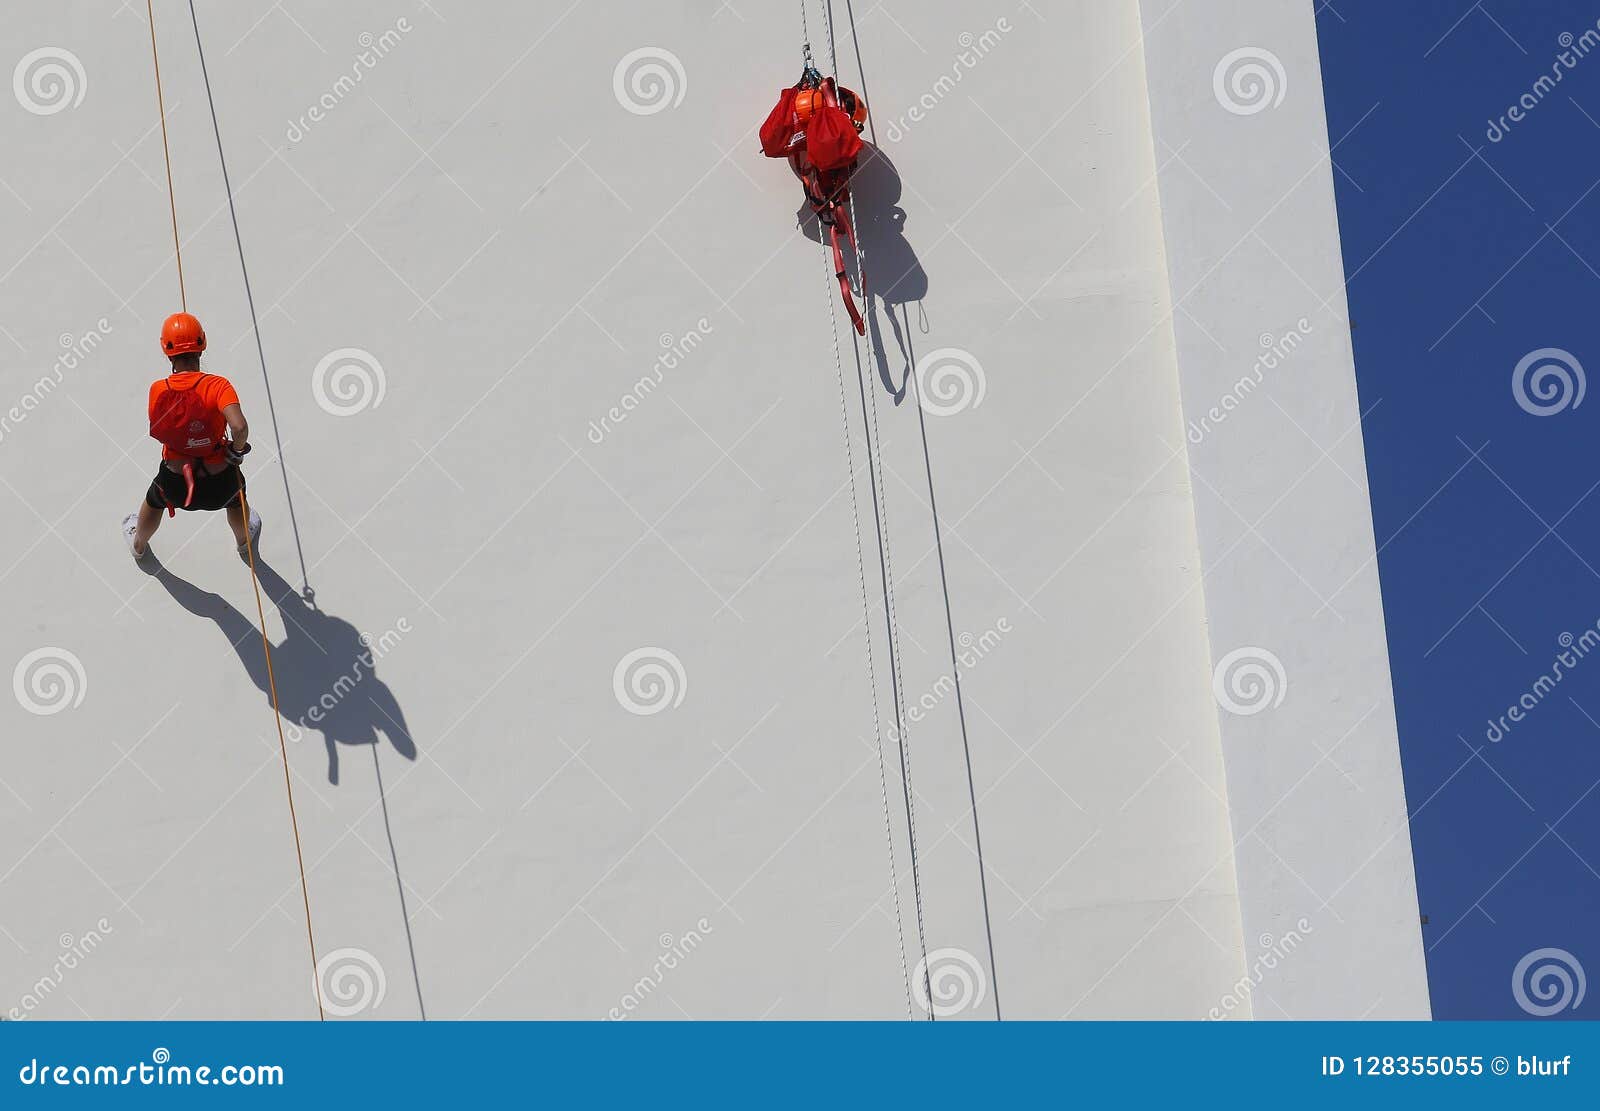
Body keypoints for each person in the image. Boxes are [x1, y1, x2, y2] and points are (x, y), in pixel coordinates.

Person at [123, 312, 261, 563]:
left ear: (166, 350)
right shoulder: (219, 385)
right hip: (219, 479)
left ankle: (138, 544)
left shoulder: (158, 389)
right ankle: (244, 542)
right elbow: (239, 427)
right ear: (203, 344)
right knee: (237, 502)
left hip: (176, 482)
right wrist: (236, 452)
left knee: (154, 500)